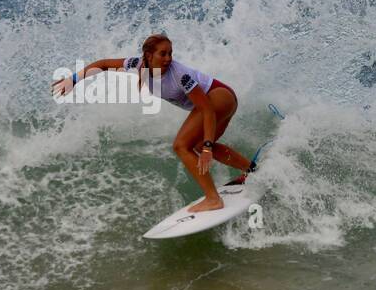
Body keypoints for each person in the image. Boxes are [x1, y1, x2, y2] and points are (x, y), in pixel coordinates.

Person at [51, 33, 254, 212]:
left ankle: (213, 199)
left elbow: (207, 110)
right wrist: (73, 80)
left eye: (170, 53)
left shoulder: (180, 75)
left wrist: (209, 147)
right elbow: (103, 64)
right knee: (199, 146)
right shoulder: (137, 65)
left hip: (219, 98)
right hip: (223, 100)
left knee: (182, 146)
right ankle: (252, 172)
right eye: (163, 54)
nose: (168, 59)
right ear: (149, 55)